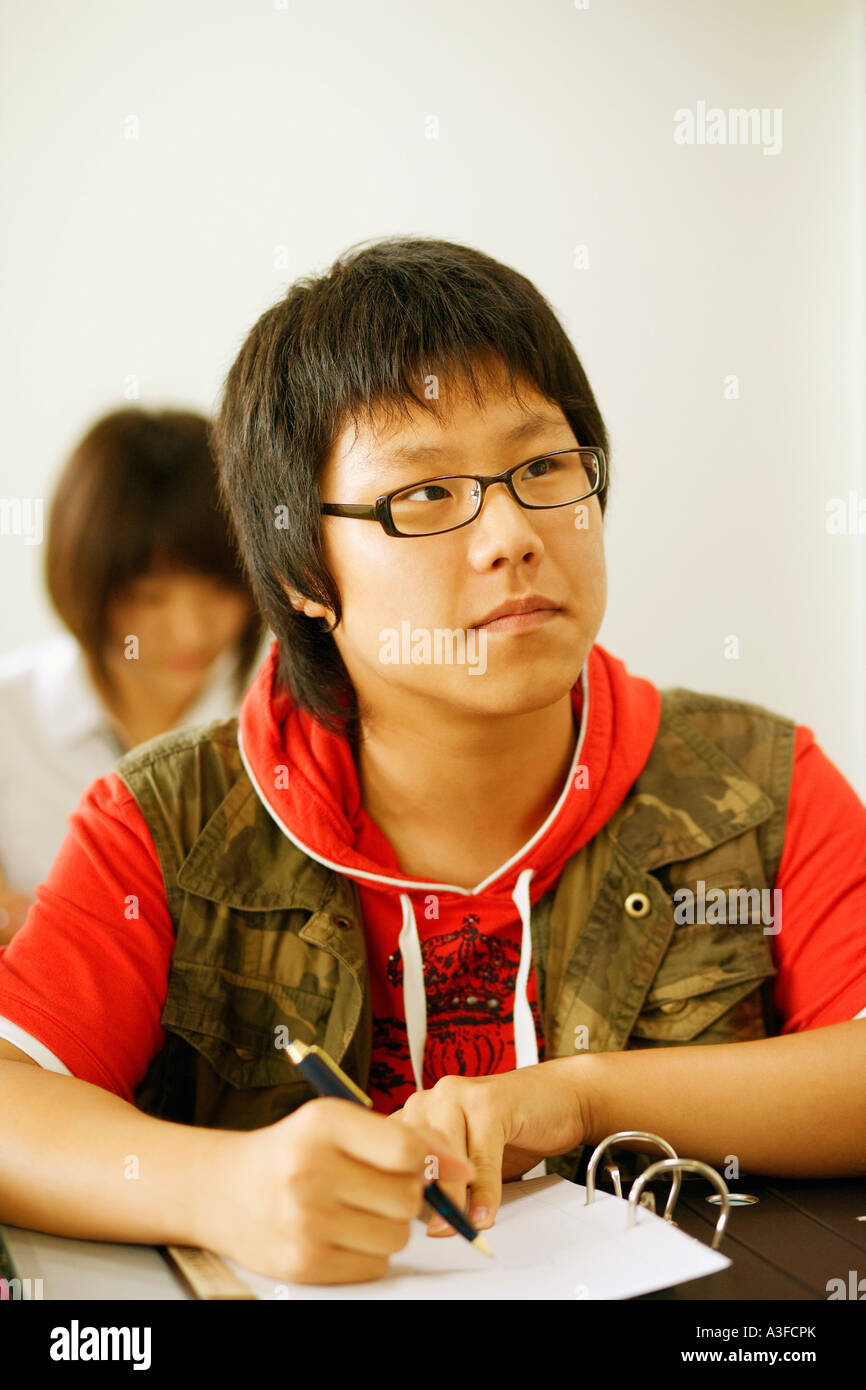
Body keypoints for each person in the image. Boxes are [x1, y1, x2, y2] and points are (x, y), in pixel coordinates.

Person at [0, 237, 864, 1288]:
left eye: (543, 466)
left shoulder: (759, 782)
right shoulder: (164, 817)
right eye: (422, 496)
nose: (509, 533)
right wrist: (219, 1185)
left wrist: (585, 1099)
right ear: (303, 572)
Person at [0, 407, 266, 941]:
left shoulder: (284, 727)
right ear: (87, 578)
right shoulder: (11, 719)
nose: (191, 631)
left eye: (221, 588)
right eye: (151, 597)